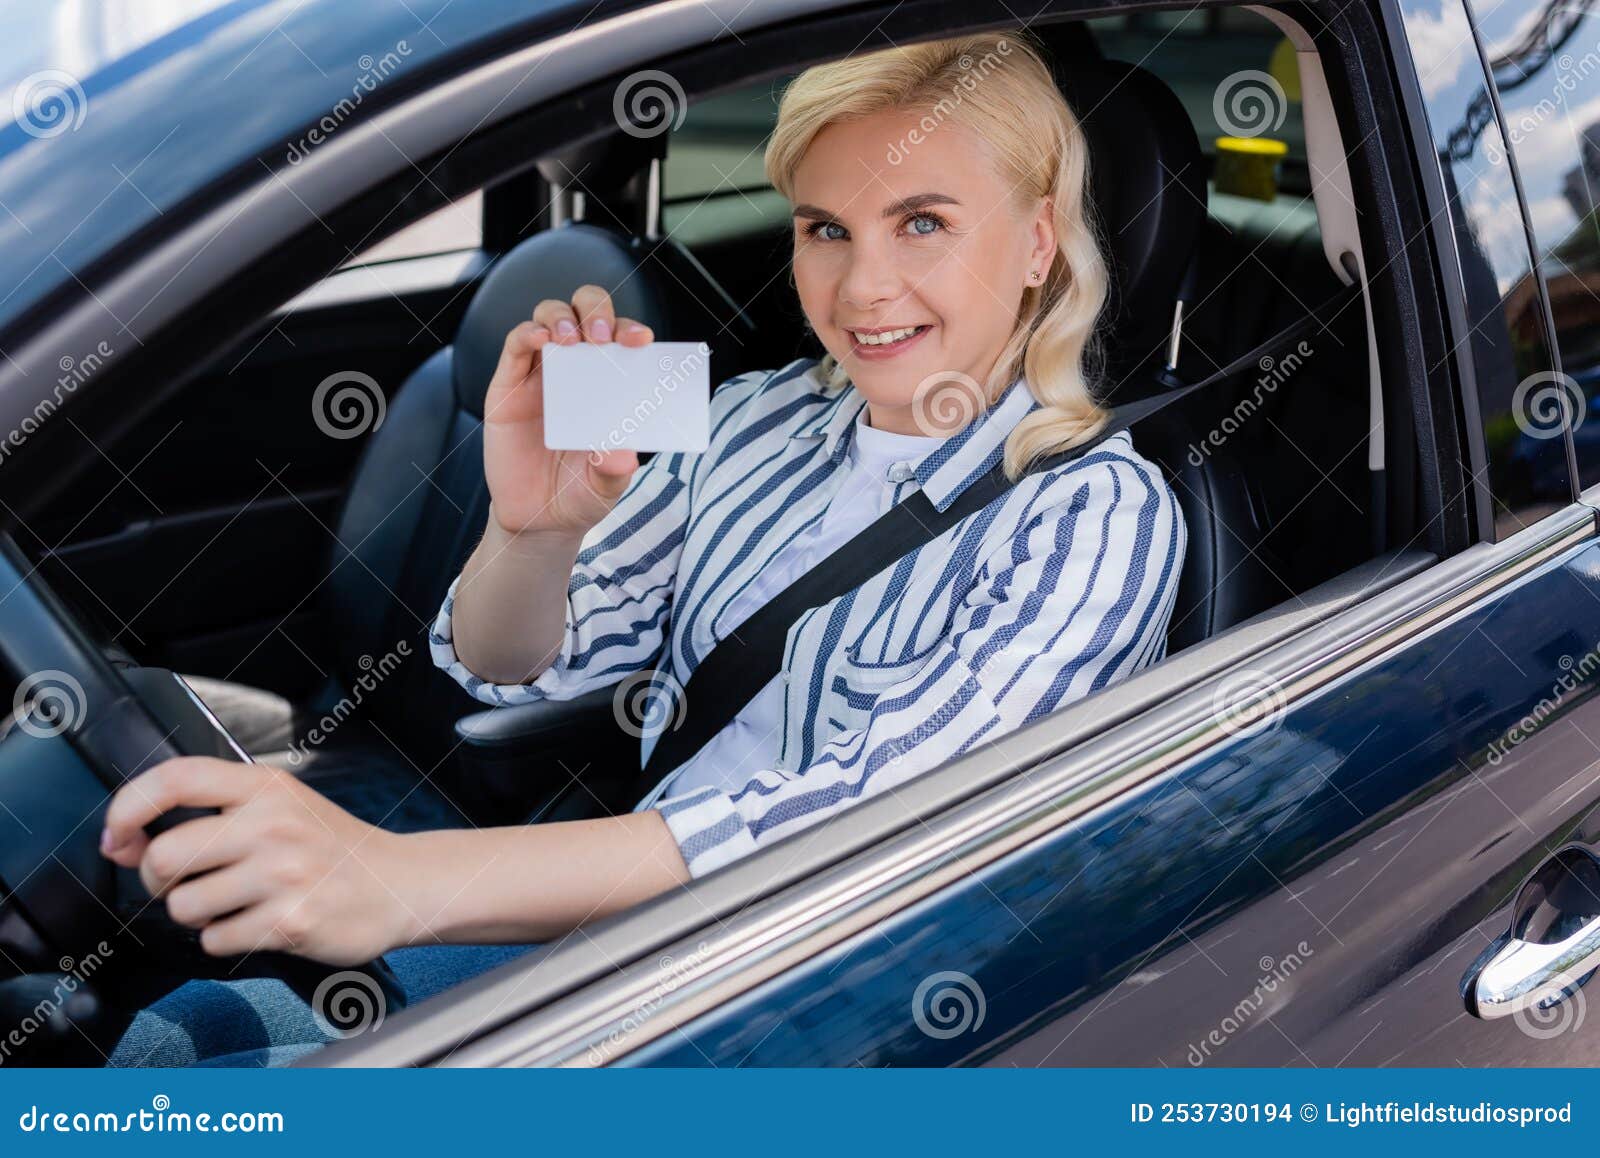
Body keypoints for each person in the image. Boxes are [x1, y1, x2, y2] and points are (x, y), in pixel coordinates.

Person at [100, 28, 1186, 1067]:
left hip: (839, 1002)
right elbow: (507, 665)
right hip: (638, 936)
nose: (860, 291)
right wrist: (538, 529)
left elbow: (869, 832)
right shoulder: (747, 413)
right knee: (204, 1028)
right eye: (825, 229)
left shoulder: (1097, 512)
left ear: (1038, 239)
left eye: (923, 223)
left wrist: (397, 876)